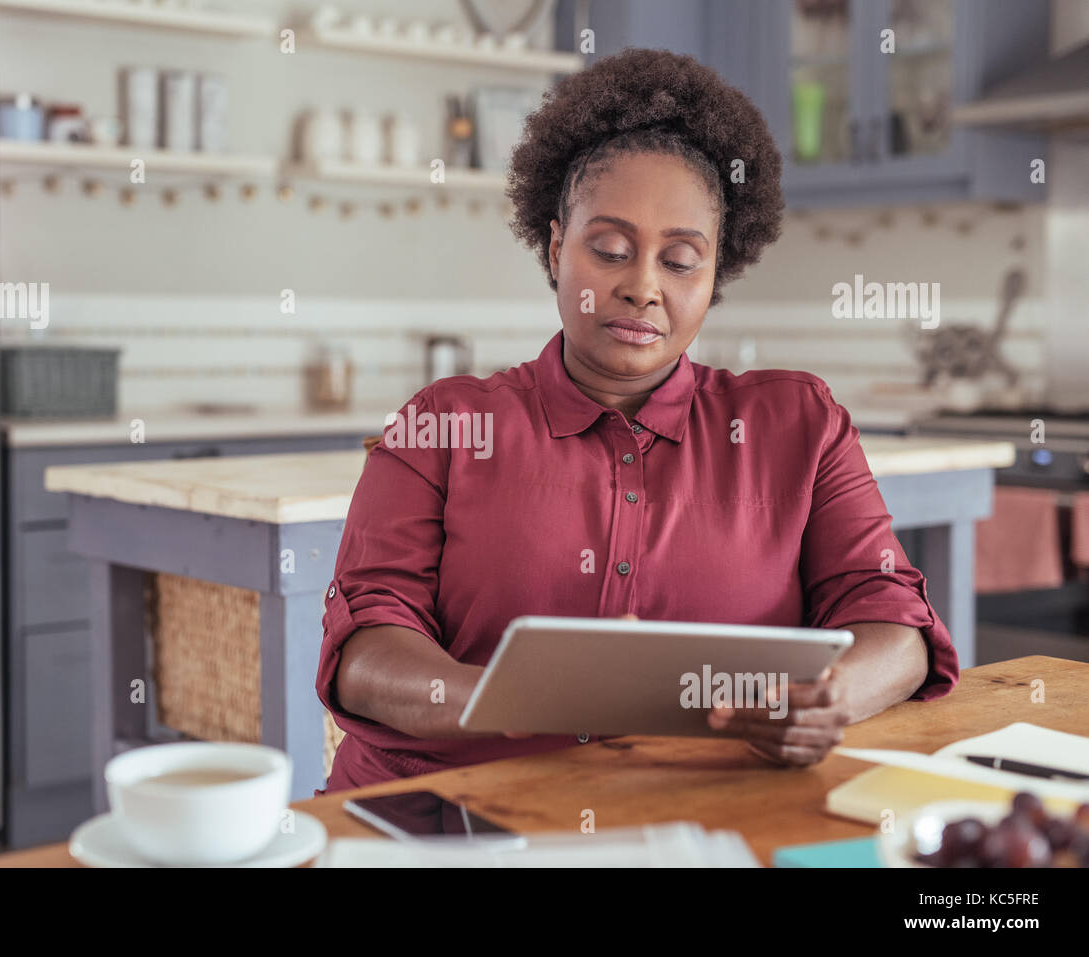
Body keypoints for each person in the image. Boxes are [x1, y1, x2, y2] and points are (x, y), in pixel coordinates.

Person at [314, 48, 958, 795]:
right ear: (557, 249)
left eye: (681, 260)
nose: (642, 287)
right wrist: (495, 700)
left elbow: (897, 628)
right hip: (447, 812)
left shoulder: (799, 424)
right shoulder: (443, 424)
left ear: (719, 273)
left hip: (701, 810)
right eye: (610, 250)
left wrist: (826, 699)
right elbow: (362, 648)